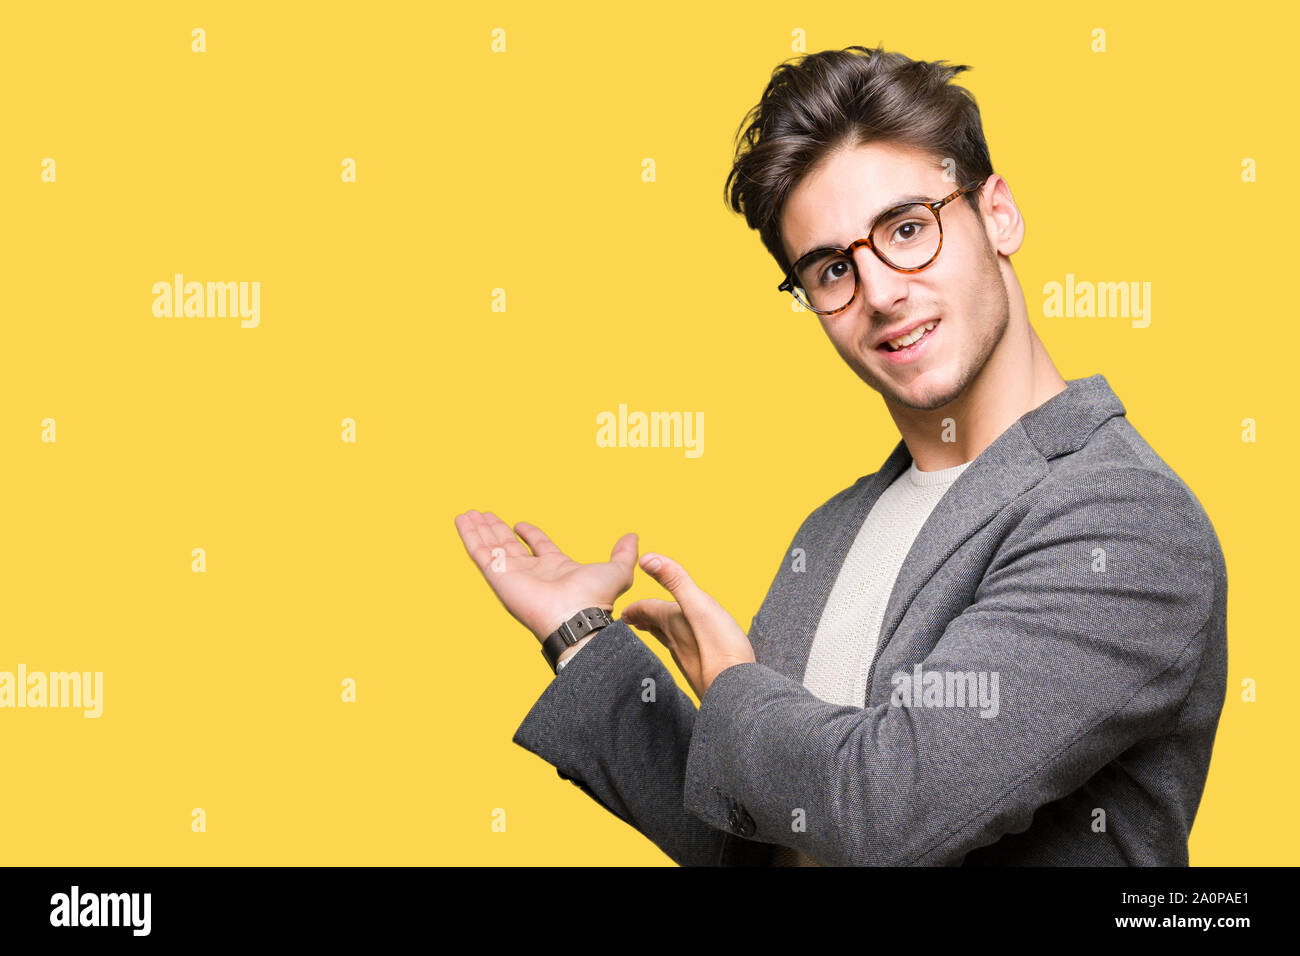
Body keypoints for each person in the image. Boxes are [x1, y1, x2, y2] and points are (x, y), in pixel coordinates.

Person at [453, 44, 1227, 866]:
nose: (883, 292)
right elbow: (762, 838)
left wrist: (733, 692)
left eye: (906, 228)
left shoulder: (1123, 520)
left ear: (997, 214)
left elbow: (886, 812)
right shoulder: (830, 533)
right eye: (831, 269)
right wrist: (579, 635)